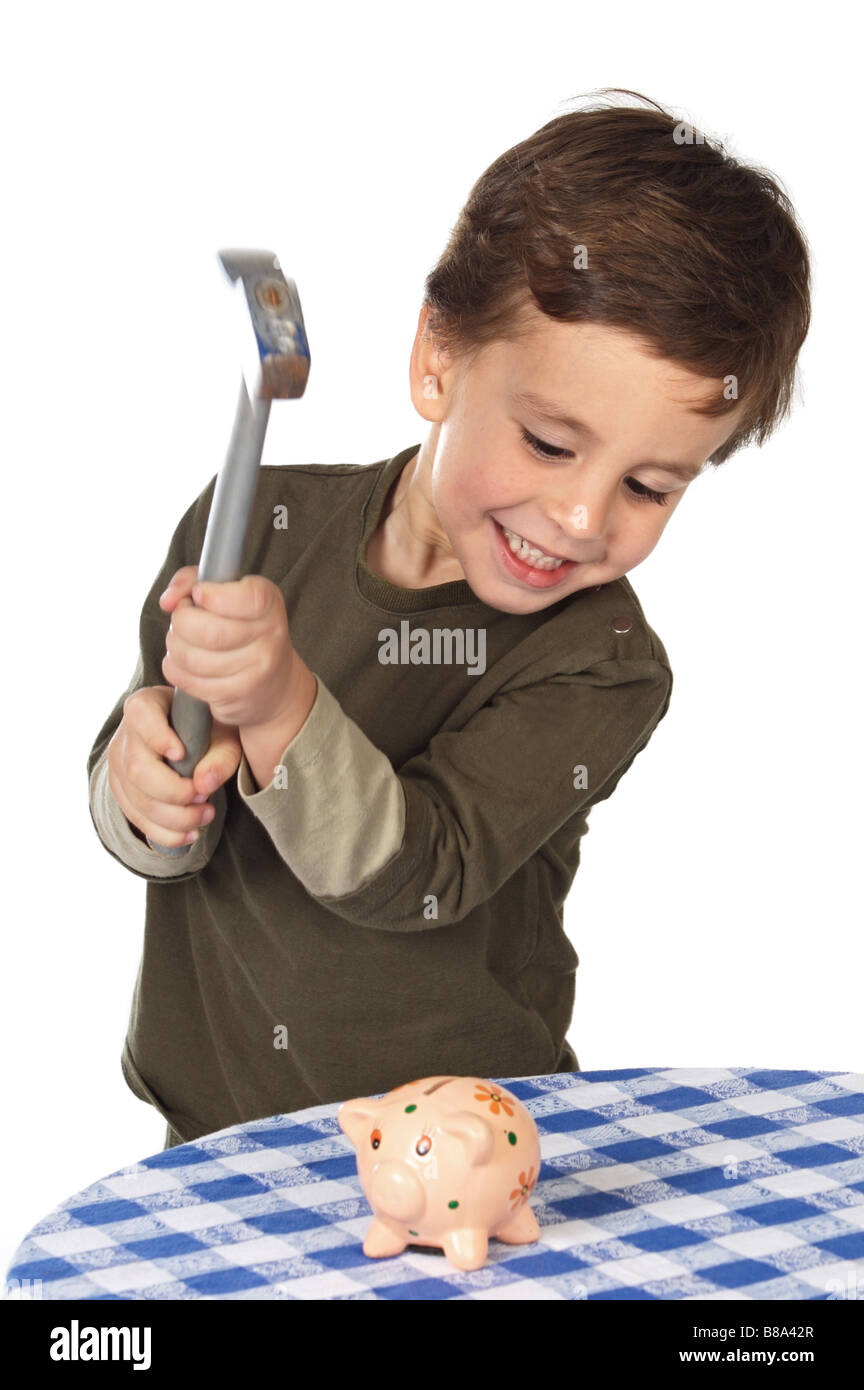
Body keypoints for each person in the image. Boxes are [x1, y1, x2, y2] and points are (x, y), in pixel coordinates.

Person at [87, 90, 811, 1149]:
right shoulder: (252, 525)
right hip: (214, 1136)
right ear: (438, 360)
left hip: (463, 1153)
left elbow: (423, 873)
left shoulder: (600, 662)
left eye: (651, 486)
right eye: (551, 444)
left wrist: (284, 704)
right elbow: (165, 830)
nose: (579, 516)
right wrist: (139, 778)